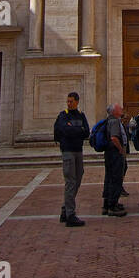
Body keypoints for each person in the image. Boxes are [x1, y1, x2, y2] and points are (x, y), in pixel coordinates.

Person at [52, 91, 88, 227]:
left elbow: (87, 132)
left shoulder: (81, 115)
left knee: (78, 178)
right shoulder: (63, 115)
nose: (69, 103)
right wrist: (77, 130)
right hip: (67, 151)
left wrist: (74, 130)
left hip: (78, 150)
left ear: (77, 102)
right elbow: (65, 131)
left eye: (71, 101)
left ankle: (65, 210)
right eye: (68, 101)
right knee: (70, 181)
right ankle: (70, 215)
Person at [101, 102, 128, 217]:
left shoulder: (110, 120)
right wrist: (121, 149)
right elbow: (113, 137)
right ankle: (113, 205)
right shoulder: (114, 121)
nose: (122, 109)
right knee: (116, 178)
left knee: (109, 177)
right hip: (114, 154)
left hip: (110, 153)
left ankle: (107, 204)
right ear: (114, 111)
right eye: (119, 108)